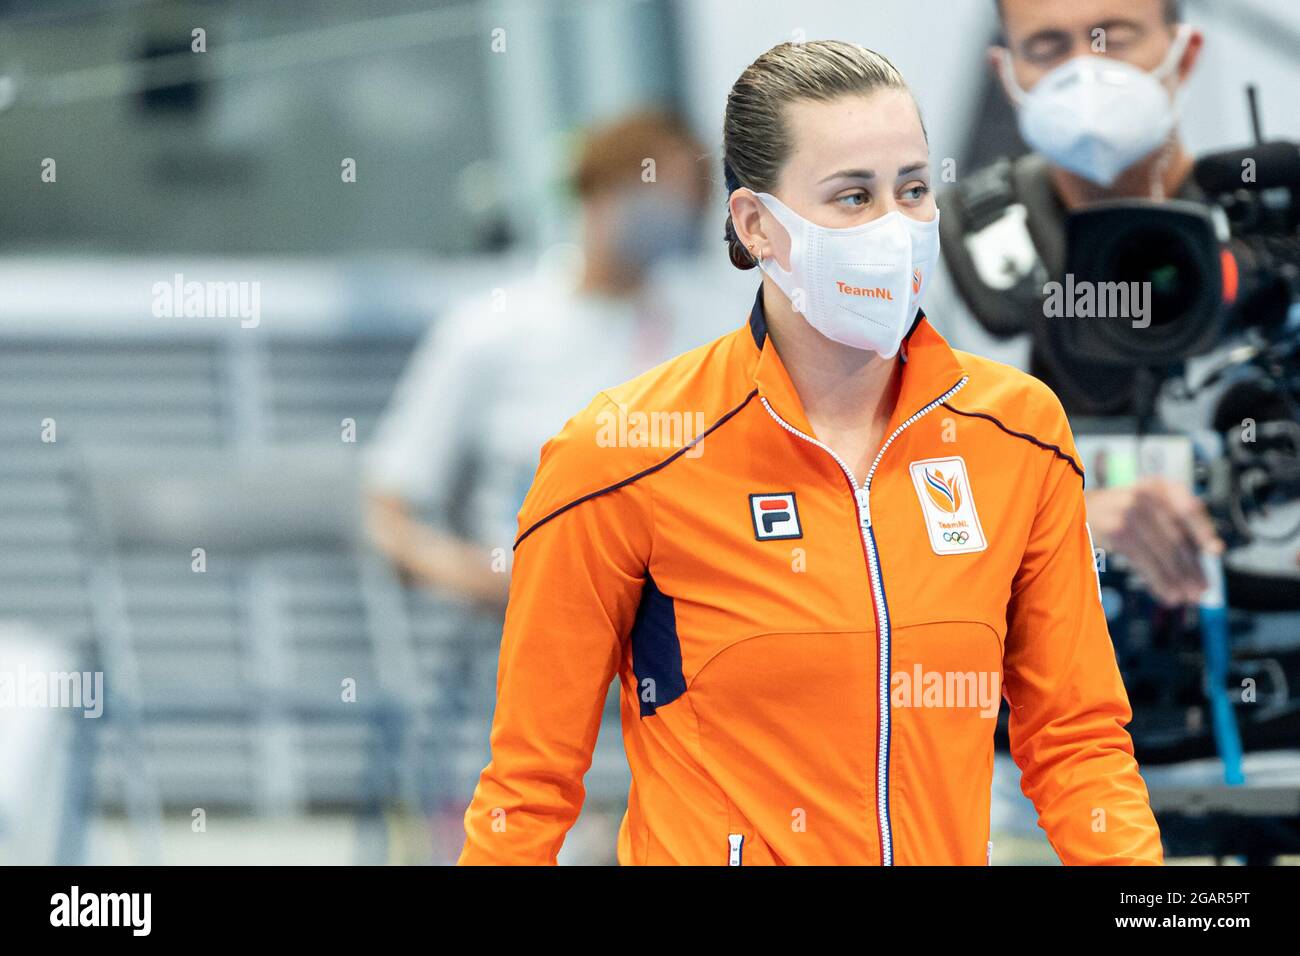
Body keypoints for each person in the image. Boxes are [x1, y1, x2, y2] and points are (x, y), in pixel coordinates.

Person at [458, 40, 1162, 865]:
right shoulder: (620, 452)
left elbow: (1076, 740)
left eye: (911, 189)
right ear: (758, 224)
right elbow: (528, 787)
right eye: (852, 197)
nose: (895, 230)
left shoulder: (1016, 432)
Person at [934, 0, 1224, 606]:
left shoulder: (1265, 232)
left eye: (1114, 39)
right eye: (1046, 48)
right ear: (1006, 72)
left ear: (1185, 52)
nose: (1084, 71)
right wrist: (1063, 527)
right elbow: (893, 503)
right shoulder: (949, 249)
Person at [364, 109, 715, 609]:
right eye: (649, 187)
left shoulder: (709, 333)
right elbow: (388, 514)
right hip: (524, 627)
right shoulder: (491, 328)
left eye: (682, 198)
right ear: (595, 188)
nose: (666, 209)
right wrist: (497, 584)